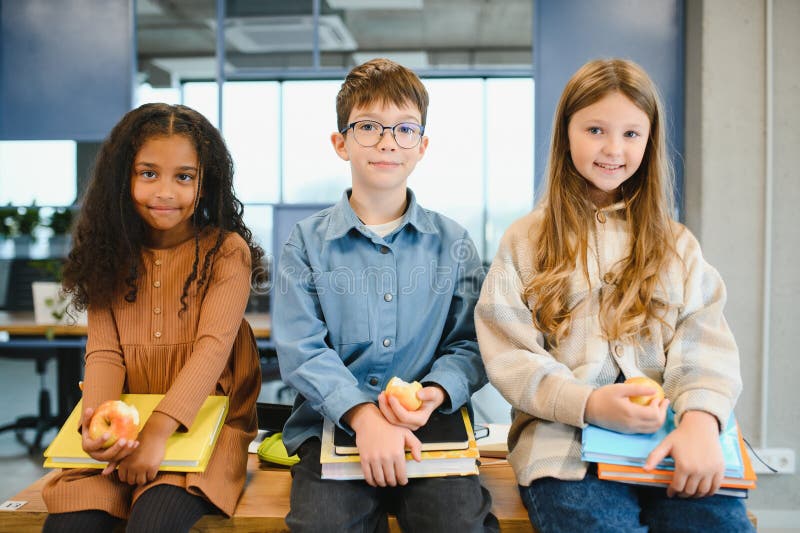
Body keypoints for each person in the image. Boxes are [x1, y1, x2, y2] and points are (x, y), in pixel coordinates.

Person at [475, 58, 755, 532]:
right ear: (566, 133)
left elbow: (704, 344)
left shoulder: (677, 245)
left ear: (649, 141)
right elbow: (511, 355)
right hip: (563, 450)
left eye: (631, 134)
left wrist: (702, 421)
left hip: (670, 442)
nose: (612, 148)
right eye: (595, 130)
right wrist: (589, 404)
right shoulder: (524, 241)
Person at [274, 58, 498, 532]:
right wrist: (364, 416)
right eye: (369, 126)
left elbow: (471, 344)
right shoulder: (305, 243)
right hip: (334, 424)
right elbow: (301, 349)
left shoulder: (453, 242)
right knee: (322, 526)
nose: (387, 141)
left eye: (404, 129)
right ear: (340, 143)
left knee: (456, 522)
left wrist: (435, 393)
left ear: (422, 146)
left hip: (430, 424)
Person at [42, 103, 264, 532]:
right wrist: (99, 425)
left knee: (154, 522)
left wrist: (159, 432)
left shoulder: (227, 252)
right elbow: (105, 352)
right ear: (122, 179)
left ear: (205, 184)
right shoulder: (109, 254)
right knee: (69, 525)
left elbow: (213, 351)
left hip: (204, 428)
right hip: (128, 426)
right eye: (148, 173)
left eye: (183, 177)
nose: (165, 191)